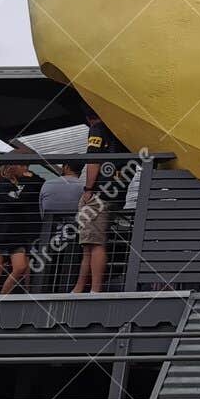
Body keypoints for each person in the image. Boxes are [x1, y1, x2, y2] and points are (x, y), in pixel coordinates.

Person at [73, 109, 119, 294]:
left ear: (88, 118)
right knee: (90, 243)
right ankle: (80, 288)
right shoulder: (120, 132)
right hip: (115, 192)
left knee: (93, 243)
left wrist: (88, 189)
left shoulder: (98, 129)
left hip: (99, 193)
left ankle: (94, 289)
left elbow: (94, 158)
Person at [0, 162, 37, 295]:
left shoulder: (17, 185)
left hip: (15, 233)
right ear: (13, 167)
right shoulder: (3, 185)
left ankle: (2, 297)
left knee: (21, 267)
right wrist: (26, 181)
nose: (26, 170)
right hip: (1, 232)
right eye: (24, 166)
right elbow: (16, 201)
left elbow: (25, 197)